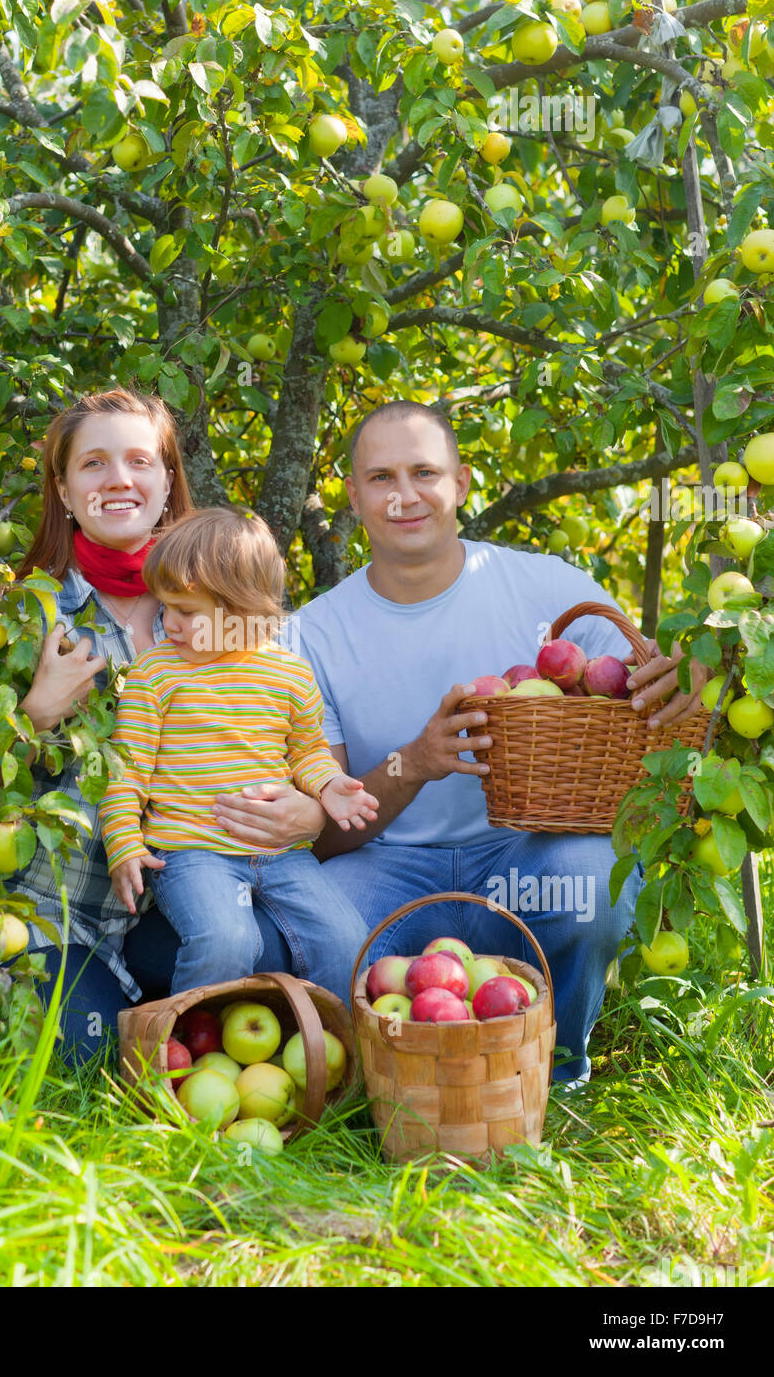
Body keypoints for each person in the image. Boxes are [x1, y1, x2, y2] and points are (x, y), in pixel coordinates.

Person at [291, 400, 707, 1083]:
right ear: (352, 496)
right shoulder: (312, 635)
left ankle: (552, 1073)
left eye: (424, 472)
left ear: (459, 483)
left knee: (586, 884)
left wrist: (681, 677)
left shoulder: (541, 586)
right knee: (305, 927)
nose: (404, 496)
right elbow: (324, 837)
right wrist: (415, 763)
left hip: (524, 856)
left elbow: (641, 677)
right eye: (380, 477)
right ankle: (378, 1090)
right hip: (387, 869)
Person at [0, 388, 320, 1062]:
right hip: (58, 915)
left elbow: (298, 742)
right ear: (61, 487)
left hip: (185, 888)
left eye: (140, 460)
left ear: (169, 479)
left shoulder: (232, 611)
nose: (119, 479)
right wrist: (33, 718)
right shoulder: (20, 620)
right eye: (93, 464)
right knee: (87, 1068)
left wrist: (309, 813)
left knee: (280, 943)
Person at [98, 508, 376, 1007]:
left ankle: (337, 1062)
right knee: (225, 940)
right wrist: (123, 843)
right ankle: (184, 1052)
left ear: (243, 610)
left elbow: (307, 753)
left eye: (187, 611)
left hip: (283, 855)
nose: (170, 622)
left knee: (346, 939)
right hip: (194, 853)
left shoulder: (289, 676)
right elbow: (126, 769)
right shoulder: (156, 675)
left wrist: (329, 786)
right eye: (166, 607)